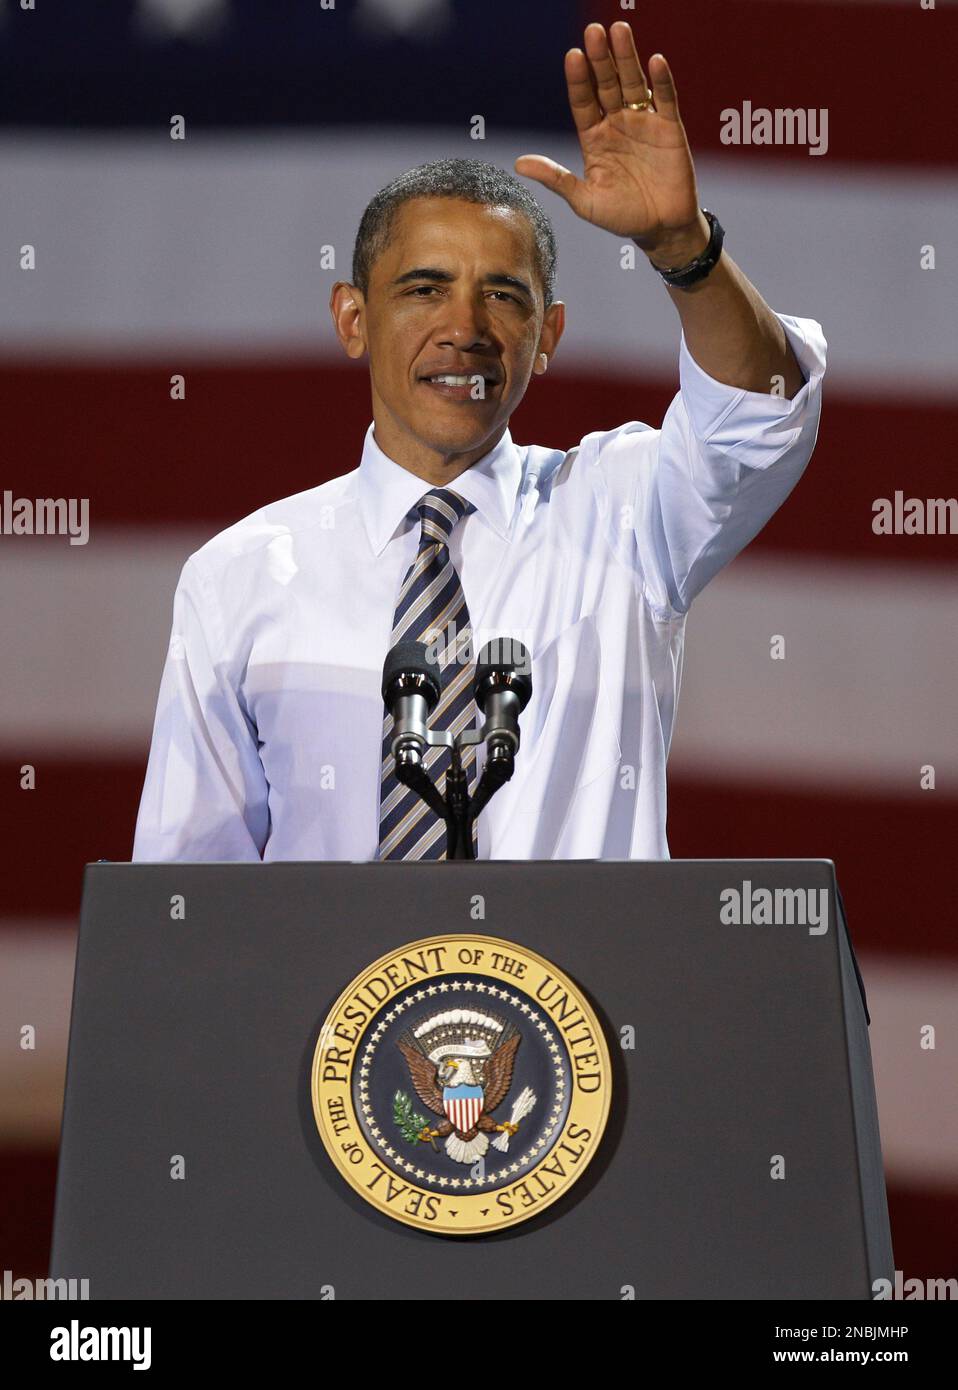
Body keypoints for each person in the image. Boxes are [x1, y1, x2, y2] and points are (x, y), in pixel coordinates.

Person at [132, 21, 825, 864]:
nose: (464, 329)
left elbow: (762, 411)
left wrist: (682, 249)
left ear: (548, 337)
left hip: (582, 1001)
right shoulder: (237, 578)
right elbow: (185, 902)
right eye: (424, 289)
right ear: (353, 318)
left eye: (504, 297)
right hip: (333, 1003)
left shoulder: (623, 513)